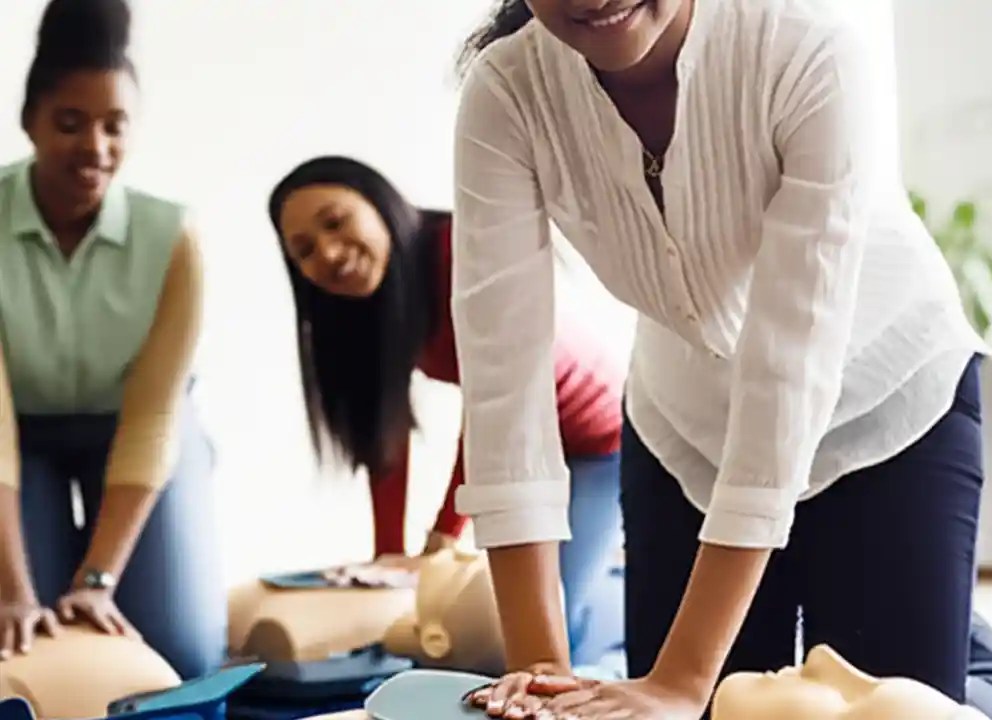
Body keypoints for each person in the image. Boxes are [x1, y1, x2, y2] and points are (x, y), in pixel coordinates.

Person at [446, 0, 992, 718]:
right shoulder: (506, 93)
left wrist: (686, 682)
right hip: (683, 421)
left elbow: (789, 367)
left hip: (881, 396)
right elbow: (505, 381)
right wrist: (538, 670)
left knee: (893, 709)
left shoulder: (807, 50)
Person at [266, 155, 626, 667]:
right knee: (506, 618)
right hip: (520, 443)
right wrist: (388, 560)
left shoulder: (461, 252)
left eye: (335, 221)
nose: (328, 252)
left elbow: (492, 410)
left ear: (379, 203)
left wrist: (441, 540)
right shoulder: (364, 309)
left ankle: (616, 642)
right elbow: (383, 436)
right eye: (303, 250)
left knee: (547, 623)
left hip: (598, 440)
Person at [0, 0, 224, 680]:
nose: (95, 148)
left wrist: (97, 578)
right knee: (21, 641)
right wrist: (13, 590)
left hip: (135, 431)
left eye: (114, 126)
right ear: (29, 121)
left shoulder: (174, 236)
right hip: (20, 438)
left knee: (180, 651)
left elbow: (154, 415)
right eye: (70, 123)